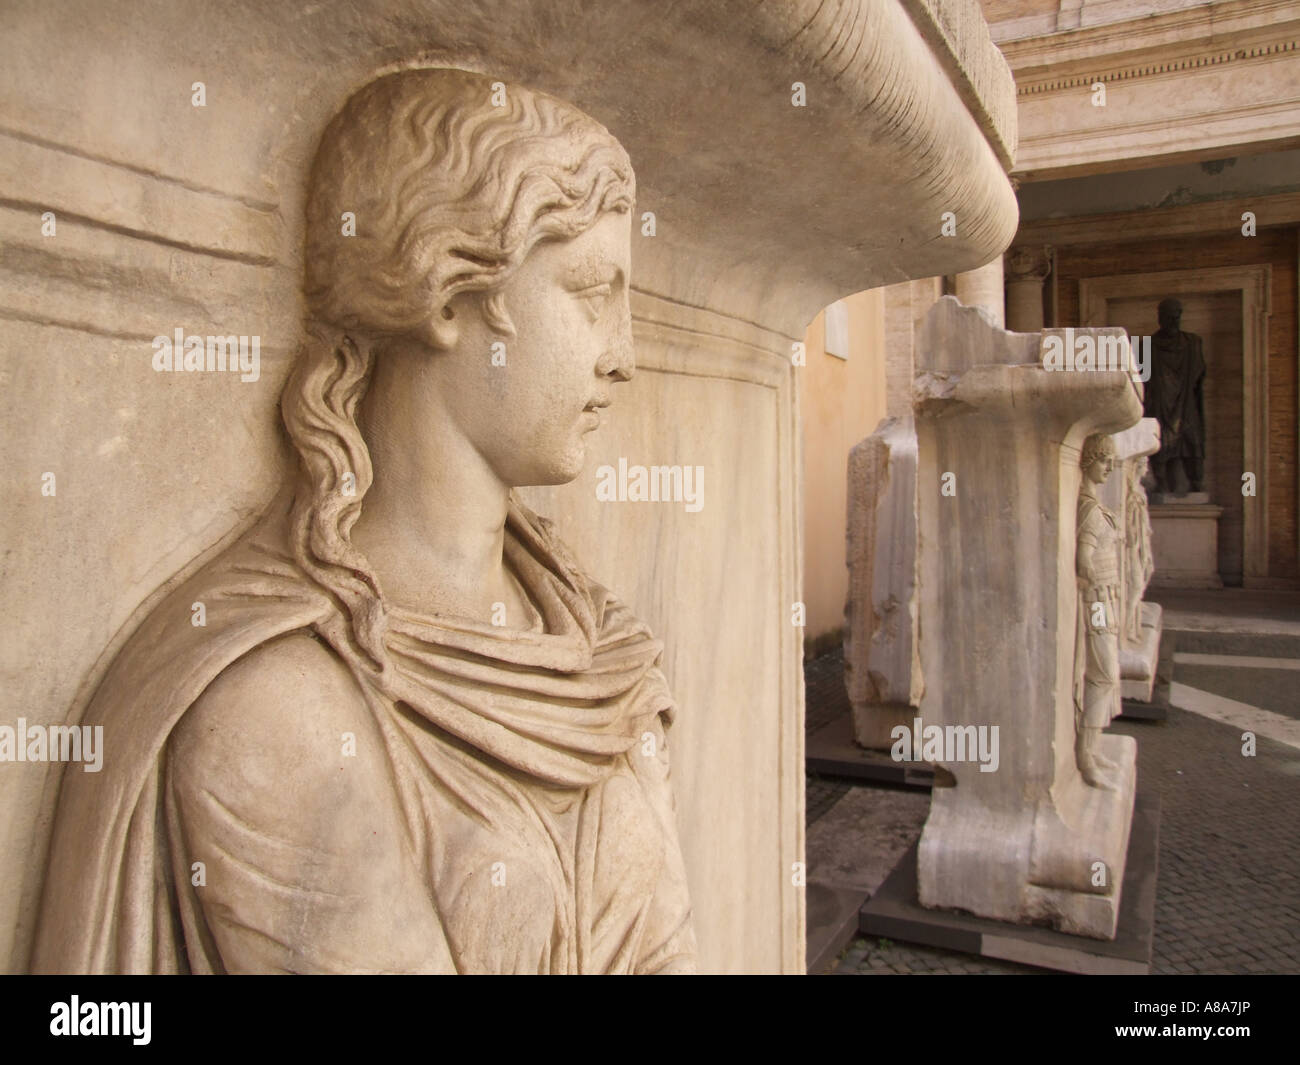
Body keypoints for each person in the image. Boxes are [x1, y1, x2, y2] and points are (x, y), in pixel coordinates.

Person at [33, 68, 697, 974]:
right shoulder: (271, 703)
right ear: (450, 294)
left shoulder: (603, 655)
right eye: (590, 293)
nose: (623, 359)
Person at [1074, 434, 1122, 791]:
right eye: (1104, 461)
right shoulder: (1089, 509)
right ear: (1089, 460)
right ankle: (1086, 756)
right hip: (1097, 602)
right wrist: (1094, 589)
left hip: (1107, 597)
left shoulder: (1095, 505)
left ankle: (1093, 745)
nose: (1109, 467)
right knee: (1103, 673)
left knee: (1106, 673)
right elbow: (1083, 560)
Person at [1143, 297, 1206, 494]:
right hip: (1159, 404)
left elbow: (1199, 375)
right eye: (1169, 316)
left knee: (1193, 441)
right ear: (1160, 318)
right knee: (1159, 443)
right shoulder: (1147, 346)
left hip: (1185, 403)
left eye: (1176, 317)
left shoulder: (1193, 342)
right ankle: (1161, 484)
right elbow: (1140, 381)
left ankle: (1196, 484)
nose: (1173, 321)